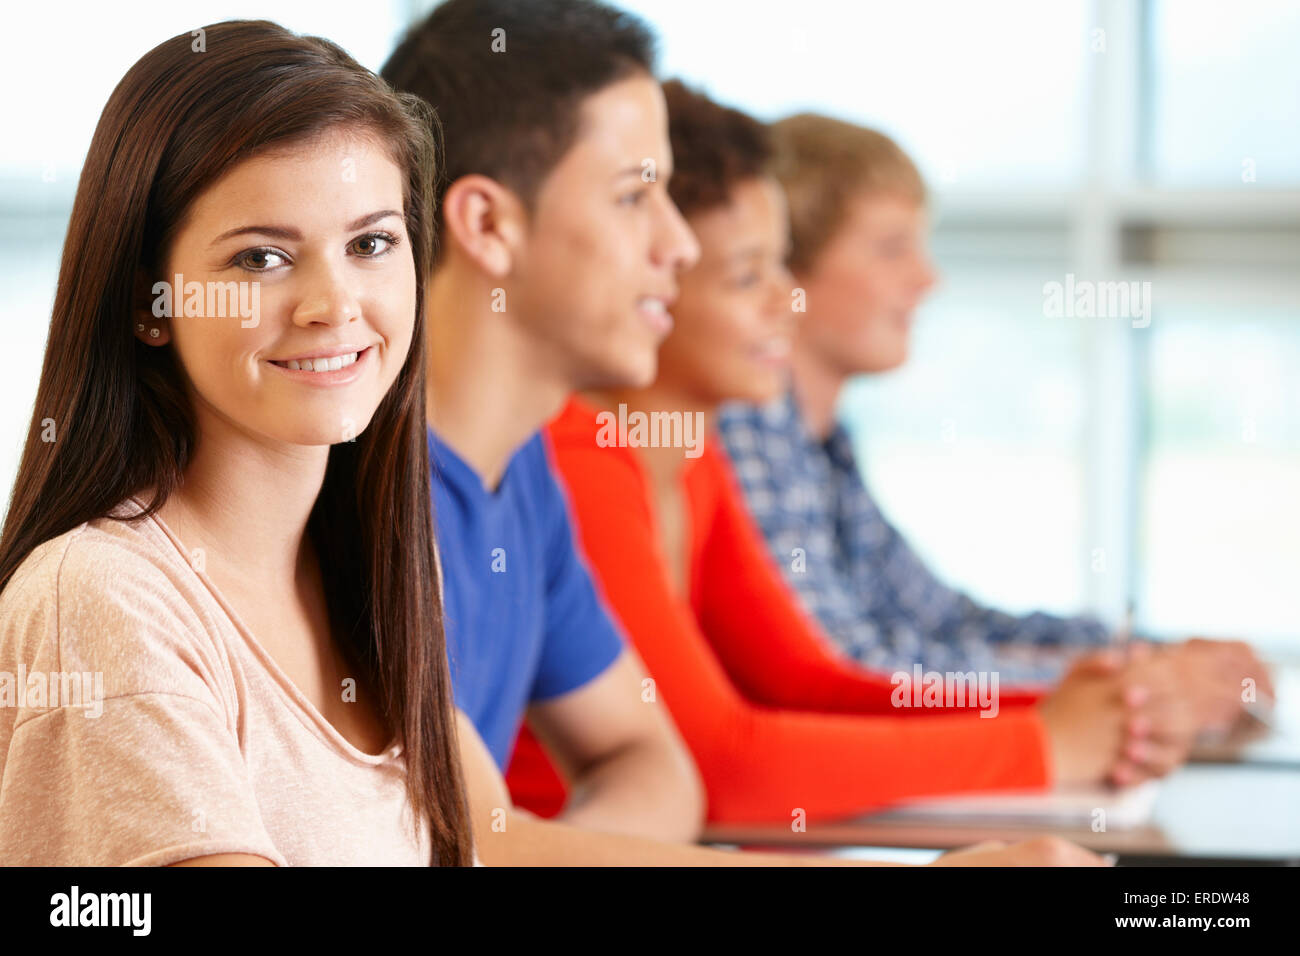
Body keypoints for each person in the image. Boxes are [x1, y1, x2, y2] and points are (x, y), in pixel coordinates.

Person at [383, 0, 1103, 866]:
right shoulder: (358, 490)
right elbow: (474, 846)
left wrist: (550, 855)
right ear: (489, 225)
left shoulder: (523, 468)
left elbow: (655, 770)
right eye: (634, 196)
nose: (678, 244)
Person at [504, 80, 1202, 824]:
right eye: (748, 277)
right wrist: (1043, 745)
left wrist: (1079, 710)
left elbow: (806, 679)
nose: (786, 302)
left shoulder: (690, 454)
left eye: (781, 267)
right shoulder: (582, 460)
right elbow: (724, 761)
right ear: (655, 282)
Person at [0, 20, 473, 865]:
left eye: (371, 243)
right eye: (260, 259)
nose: (334, 303)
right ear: (150, 304)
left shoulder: (382, 567)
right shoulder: (102, 603)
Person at [715, 112, 1272, 721]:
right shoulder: (747, 425)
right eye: (891, 249)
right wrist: (1134, 684)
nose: (927, 279)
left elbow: (943, 620)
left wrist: (1142, 657)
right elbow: (851, 664)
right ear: (785, 267)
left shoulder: (820, 439)